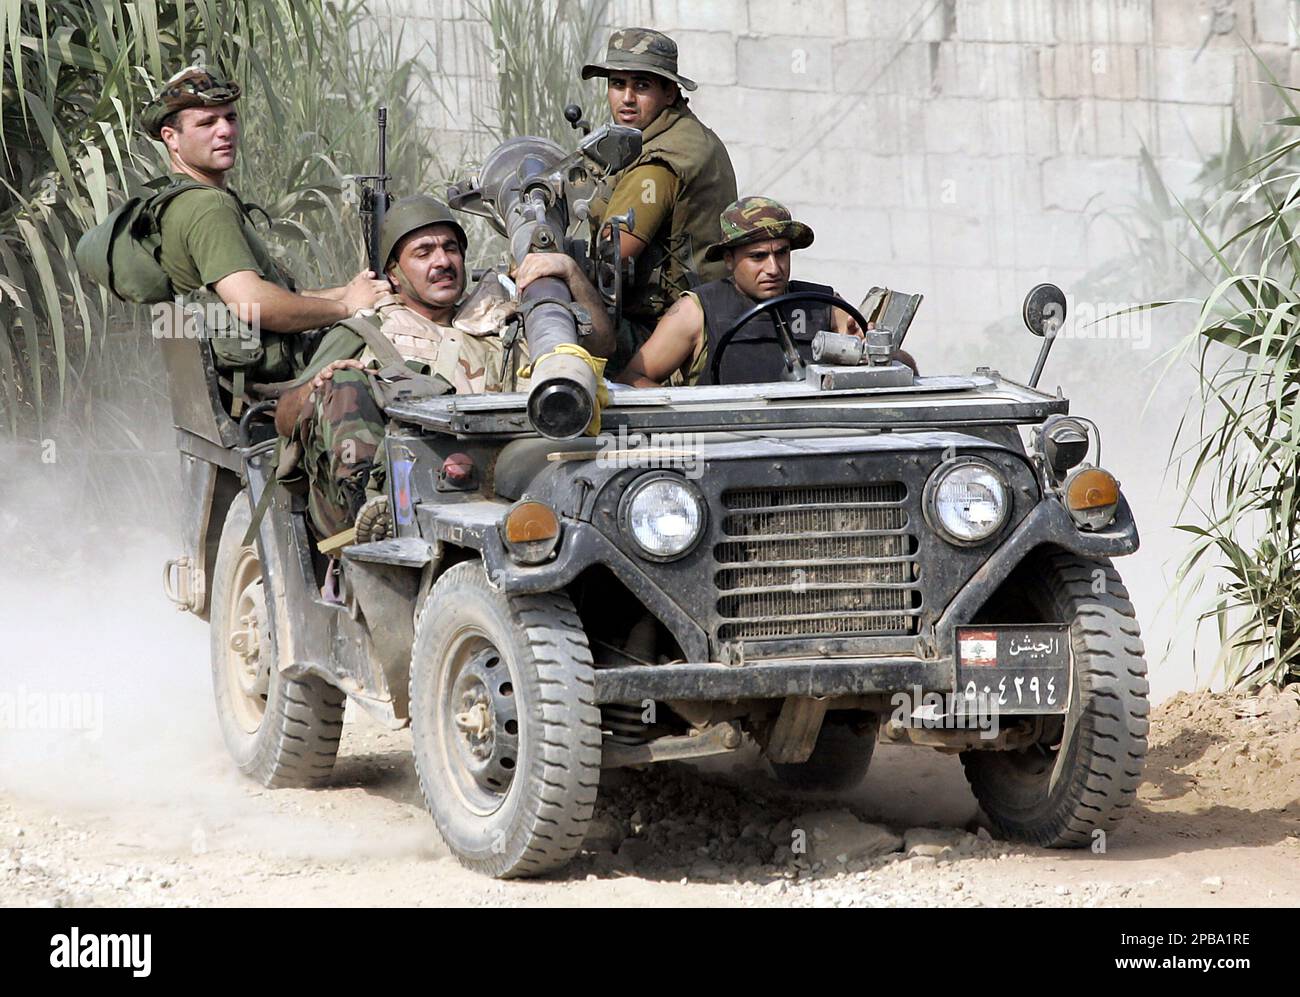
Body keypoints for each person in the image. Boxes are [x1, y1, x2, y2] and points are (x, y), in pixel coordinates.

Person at [273, 194, 614, 543]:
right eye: (423, 253)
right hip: (397, 495)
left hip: (508, 486)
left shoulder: (503, 323)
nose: (442, 261)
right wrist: (318, 385)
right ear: (394, 272)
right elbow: (284, 415)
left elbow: (599, 347)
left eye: (451, 249)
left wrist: (569, 273)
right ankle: (373, 512)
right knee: (344, 381)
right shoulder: (366, 329)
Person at [142, 65, 388, 382]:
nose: (225, 131)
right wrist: (347, 309)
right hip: (267, 386)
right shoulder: (207, 207)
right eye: (207, 122)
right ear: (171, 138)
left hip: (237, 380)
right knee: (401, 336)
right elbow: (253, 304)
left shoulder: (177, 198)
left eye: (230, 118)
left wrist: (344, 293)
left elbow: (254, 295)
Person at [580, 28, 737, 365]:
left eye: (641, 85)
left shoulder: (660, 161)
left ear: (669, 92)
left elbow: (611, 255)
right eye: (617, 84)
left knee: (553, 334)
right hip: (704, 313)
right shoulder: (679, 134)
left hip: (668, 334)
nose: (627, 98)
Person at [618, 196, 892, 387]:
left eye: (782, 253)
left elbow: (901, 369)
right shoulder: (697, 311)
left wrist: (878, 353)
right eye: (758, 257)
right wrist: (688, 416)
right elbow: (633, 377)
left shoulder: (824, 306)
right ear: (729, 259)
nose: (774, 268)